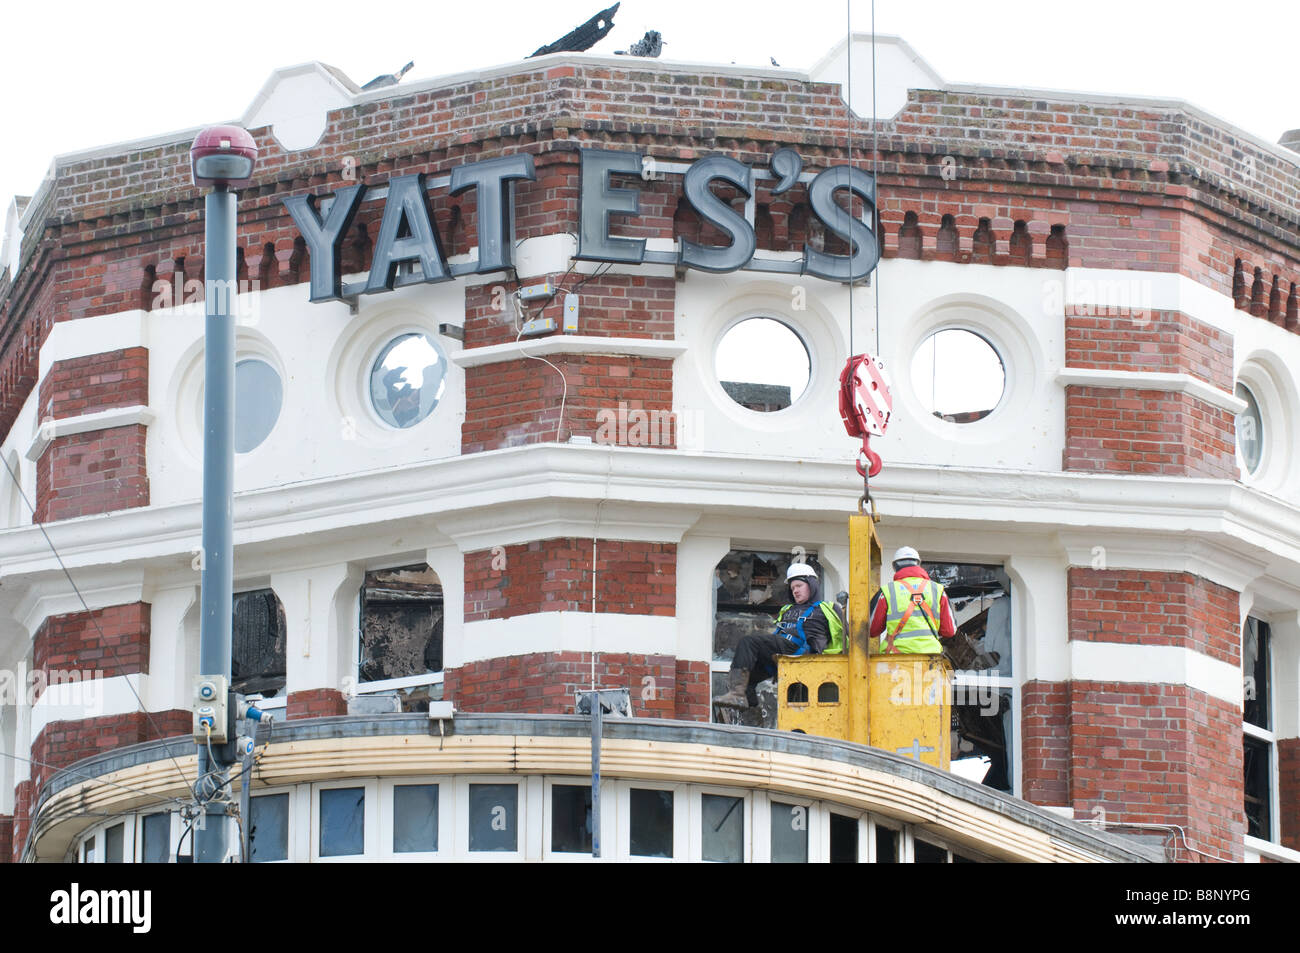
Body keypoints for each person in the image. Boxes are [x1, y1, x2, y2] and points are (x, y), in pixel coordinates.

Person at [715, 562, 845, 709]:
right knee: (749, 674)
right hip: (782, 653)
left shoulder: (827, 608)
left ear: (812, 584)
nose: (795, 591)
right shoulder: (787, 609)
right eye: (792, 588)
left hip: (801, 651)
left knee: (748, 642)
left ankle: (736, 695)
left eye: (799, 586)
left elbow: (844, 638)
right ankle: (749, 706)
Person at [870, 546, 956, 653]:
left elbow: (871, 630)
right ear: (918, 564)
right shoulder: (938, 590)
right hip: (930, 658)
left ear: (894, 567)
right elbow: (949, 631)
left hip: (895, 659)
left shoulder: (888, 591)